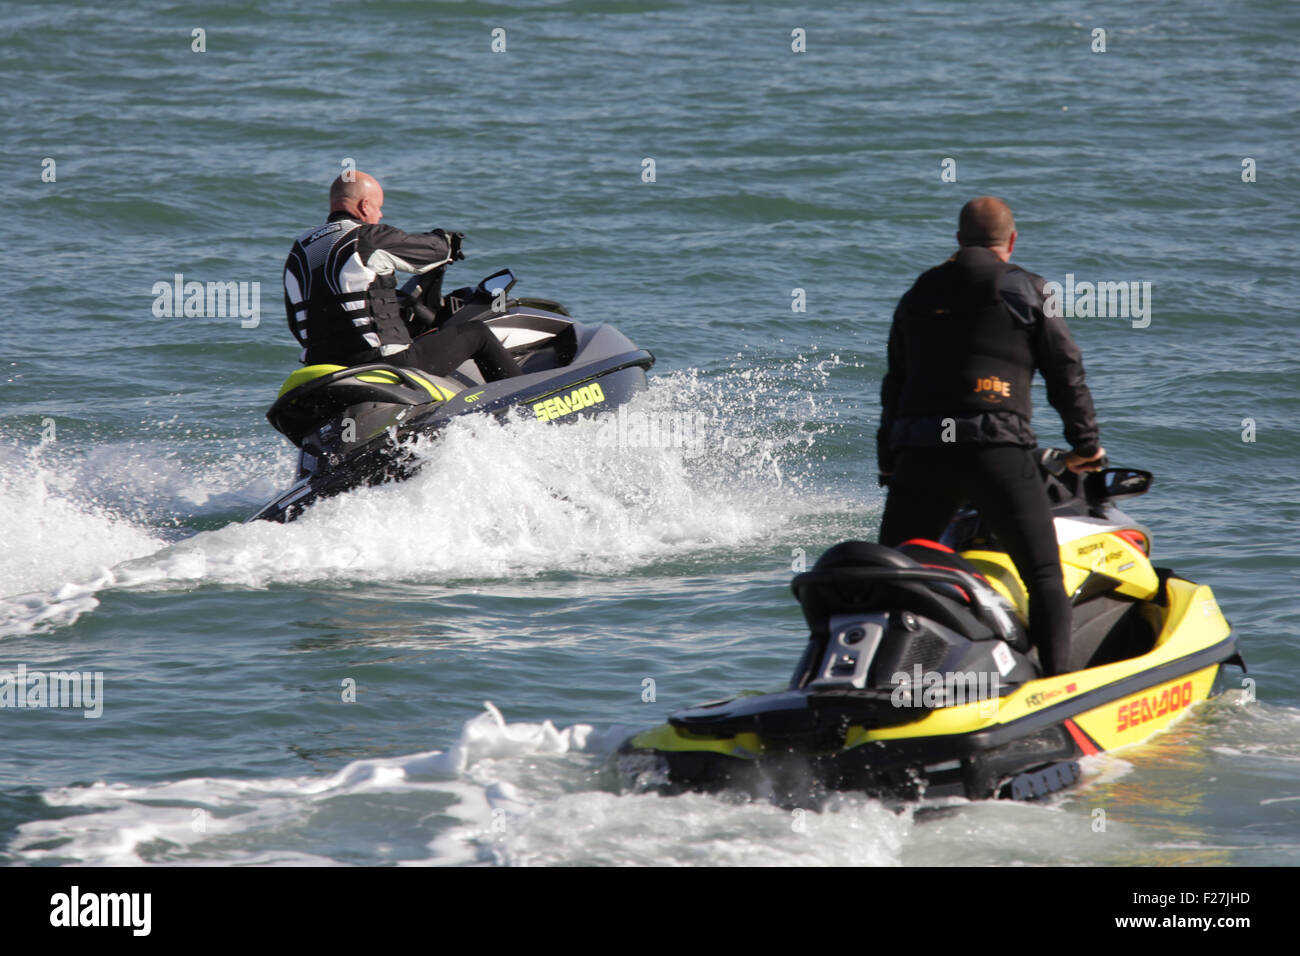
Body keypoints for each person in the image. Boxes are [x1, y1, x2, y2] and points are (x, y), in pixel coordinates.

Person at [876, 196, 1106, 676]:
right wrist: (1086, 446)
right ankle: (1058, 689)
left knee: (893, 577)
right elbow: (1066, 372)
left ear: (958, 241)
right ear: (1012, 240)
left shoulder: (919, 292)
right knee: (1043, 576)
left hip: (922, 457)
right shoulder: (1029, 289)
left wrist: (889, 462)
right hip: (998, 453)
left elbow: (895, 383)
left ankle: (878, 684)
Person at [282, 171, 520, 381]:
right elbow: (434, 251)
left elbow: (295, 323)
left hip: (323, 370)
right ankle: (523, 409)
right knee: (475, 332)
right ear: (365, 205)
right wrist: (449, 242)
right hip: (384, 362)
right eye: (378, 207)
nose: (381, 214)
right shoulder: (368, 237)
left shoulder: (298, 252)